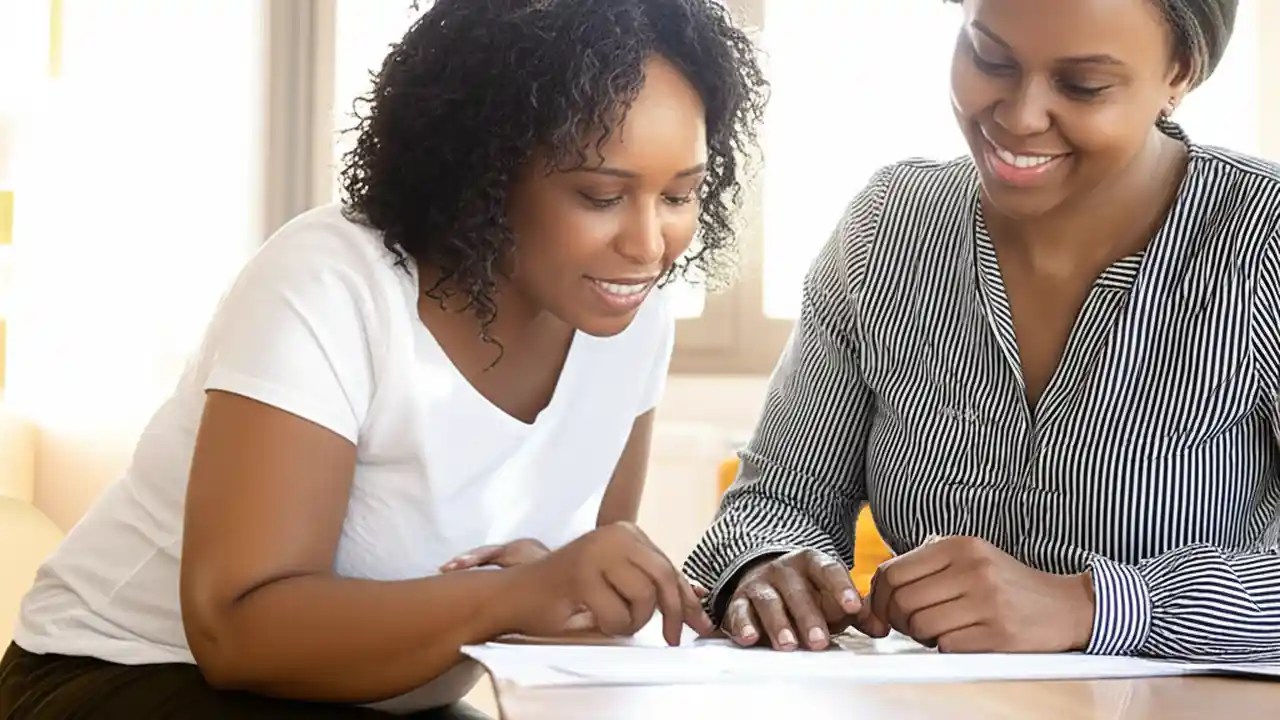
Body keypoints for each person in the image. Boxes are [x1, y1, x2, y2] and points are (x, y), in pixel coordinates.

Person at [0, 1, 767, 717]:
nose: (648, 246)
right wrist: (513, 595)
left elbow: (570, 595)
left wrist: (605, 595)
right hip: (126, 677)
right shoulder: (332, 283)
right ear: (487, 171)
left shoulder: (634, 319)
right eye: (601, 196)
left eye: (679, 196)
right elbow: (237, 633)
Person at [685, 0, 1280, 663]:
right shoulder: (887, 229)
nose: (1021, 117)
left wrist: (1092, 606)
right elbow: (779, 496)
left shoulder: (1264, 236)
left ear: (1180, 72)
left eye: (1084, 85)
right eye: (990, 59)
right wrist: (767, 567)